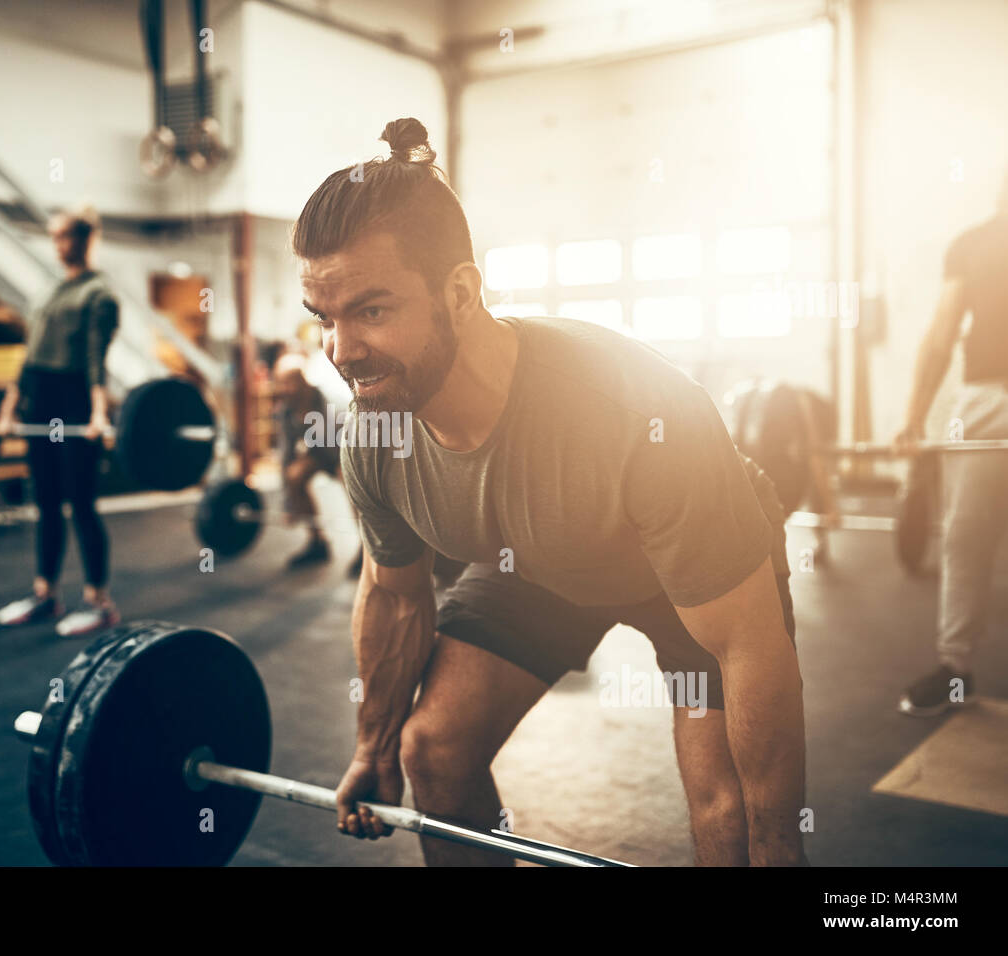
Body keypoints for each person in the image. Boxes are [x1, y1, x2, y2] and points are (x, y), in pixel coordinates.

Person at [295, 118, 806, 866]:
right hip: (537, 565)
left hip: (686, 584)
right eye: (323, 319)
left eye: (371, 311)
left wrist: (779, 843)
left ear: (461, 293)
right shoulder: (376, 431)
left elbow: (745, 641)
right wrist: (371, 747)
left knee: (727, 824)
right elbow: (399, 596)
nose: (343, 352)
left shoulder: (632, 410)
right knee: (430, 751)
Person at [894, 174, 1008, 717]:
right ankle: (955, 666)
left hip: (986, 403)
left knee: (965, 539)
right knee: (965, 539)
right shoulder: (972, 244)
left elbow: (941, 334)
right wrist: (913, 418)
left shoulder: (971, 243)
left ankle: (955, 664)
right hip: (988, 403)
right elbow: (942, 333)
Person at [0, 205, 122, 637]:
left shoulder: (99, 294)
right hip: (41, 402)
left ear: (85, 238)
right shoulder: (50, 291)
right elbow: (30, 357)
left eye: (65, 236)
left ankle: (99, 602)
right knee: (46, 502)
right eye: (55, 237)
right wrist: (10, 408)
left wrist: (98, 414)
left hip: (75, 405)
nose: (59, 245)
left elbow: (93, 361)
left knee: (81, 504)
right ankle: (46, 594)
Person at [272, 351, 363, 576]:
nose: (284, 390)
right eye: (280, 384)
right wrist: (289, 504)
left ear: (303, 381)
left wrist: (344, 471)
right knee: (294, 475)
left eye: (289, 383)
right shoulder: (286, 411)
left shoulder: (334, 405)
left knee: (349, 480)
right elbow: (286, 457)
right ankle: (317, 543)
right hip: (321, 453)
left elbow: (352, 448)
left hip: (350, 452)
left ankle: (367, 549)